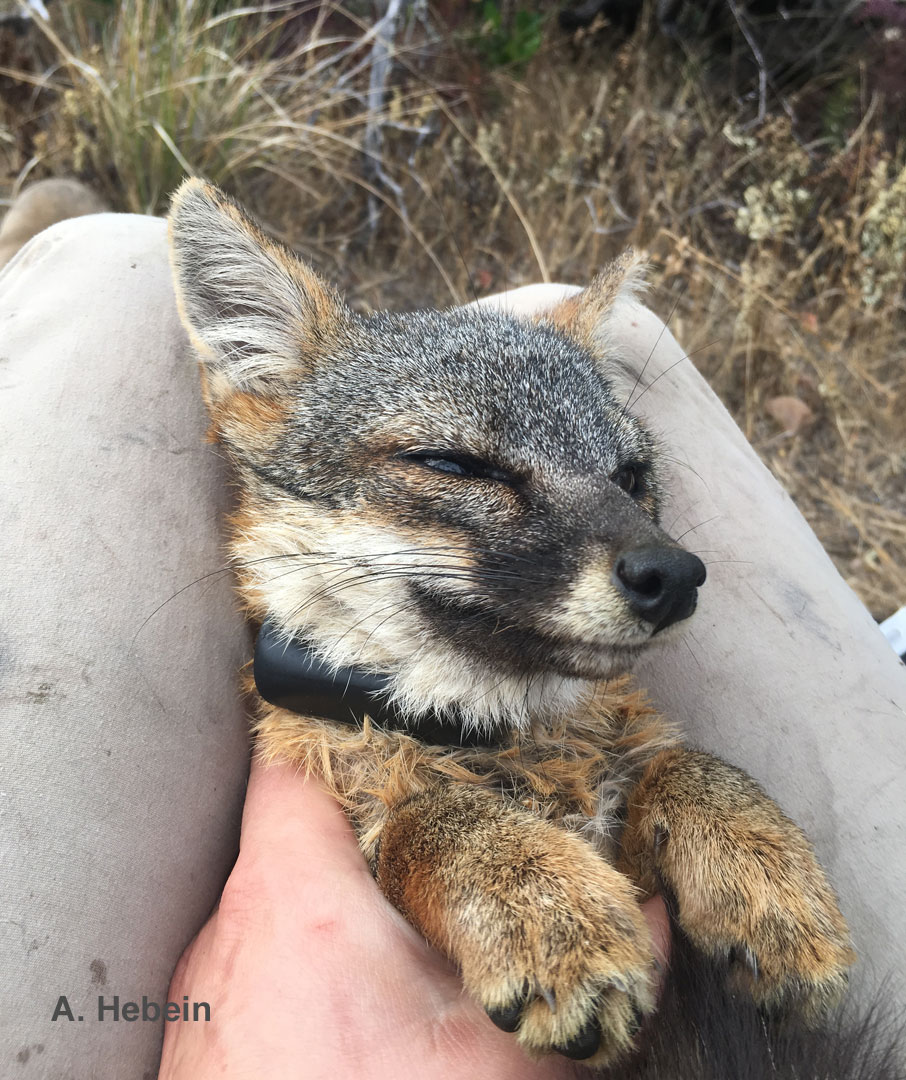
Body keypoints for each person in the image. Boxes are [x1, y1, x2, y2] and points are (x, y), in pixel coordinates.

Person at [1, 200, 904, 1080]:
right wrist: (448, 844)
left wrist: (693, 794)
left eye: (628, 475)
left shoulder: (616, 732)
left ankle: (46, 236)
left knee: (98, 263)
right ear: (264, 399)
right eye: (454, 465)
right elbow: (389, 821)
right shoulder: (323, 754)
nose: (651, 552)